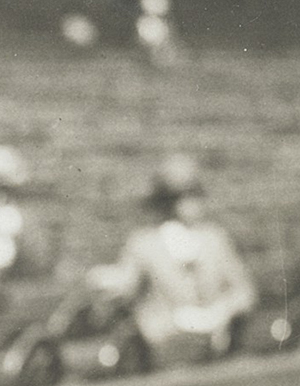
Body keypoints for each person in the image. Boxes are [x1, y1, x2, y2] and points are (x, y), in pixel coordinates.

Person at [89, 153, 258, 368]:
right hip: (166, 350)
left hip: (216, 347)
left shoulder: (214, 239)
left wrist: (219, 313)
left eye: (193, 195)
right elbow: (126, 285)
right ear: (163, 203)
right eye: (177, 198)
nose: (187, 205)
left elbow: (245, 292)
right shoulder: (145, 243)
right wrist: (108, 281)